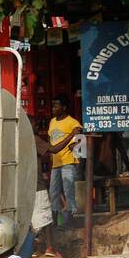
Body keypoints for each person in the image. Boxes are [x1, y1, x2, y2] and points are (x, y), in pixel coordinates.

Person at [46, 96, 82, 225]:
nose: (53, 108)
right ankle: (55, 222)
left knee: (68, 191)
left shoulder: (73, 123)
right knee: (53, 192)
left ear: (64, 108)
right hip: (56, 163)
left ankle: (69, 221)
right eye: (53, 106)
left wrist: (74, 145)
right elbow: (51, 142)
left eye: (56, 106)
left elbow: (80, 145)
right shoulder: (52, 122)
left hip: (68, 162)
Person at [33, 126, 58, 258]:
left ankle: (35, 250)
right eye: (34, 124)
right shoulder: (35, 140)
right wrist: (72, 135)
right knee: (46, 218)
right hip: (38, 186)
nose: (37, 126)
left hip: (27, 187)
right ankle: (50, 248)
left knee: (34, 221)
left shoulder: (19, 140)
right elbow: (54, 149)